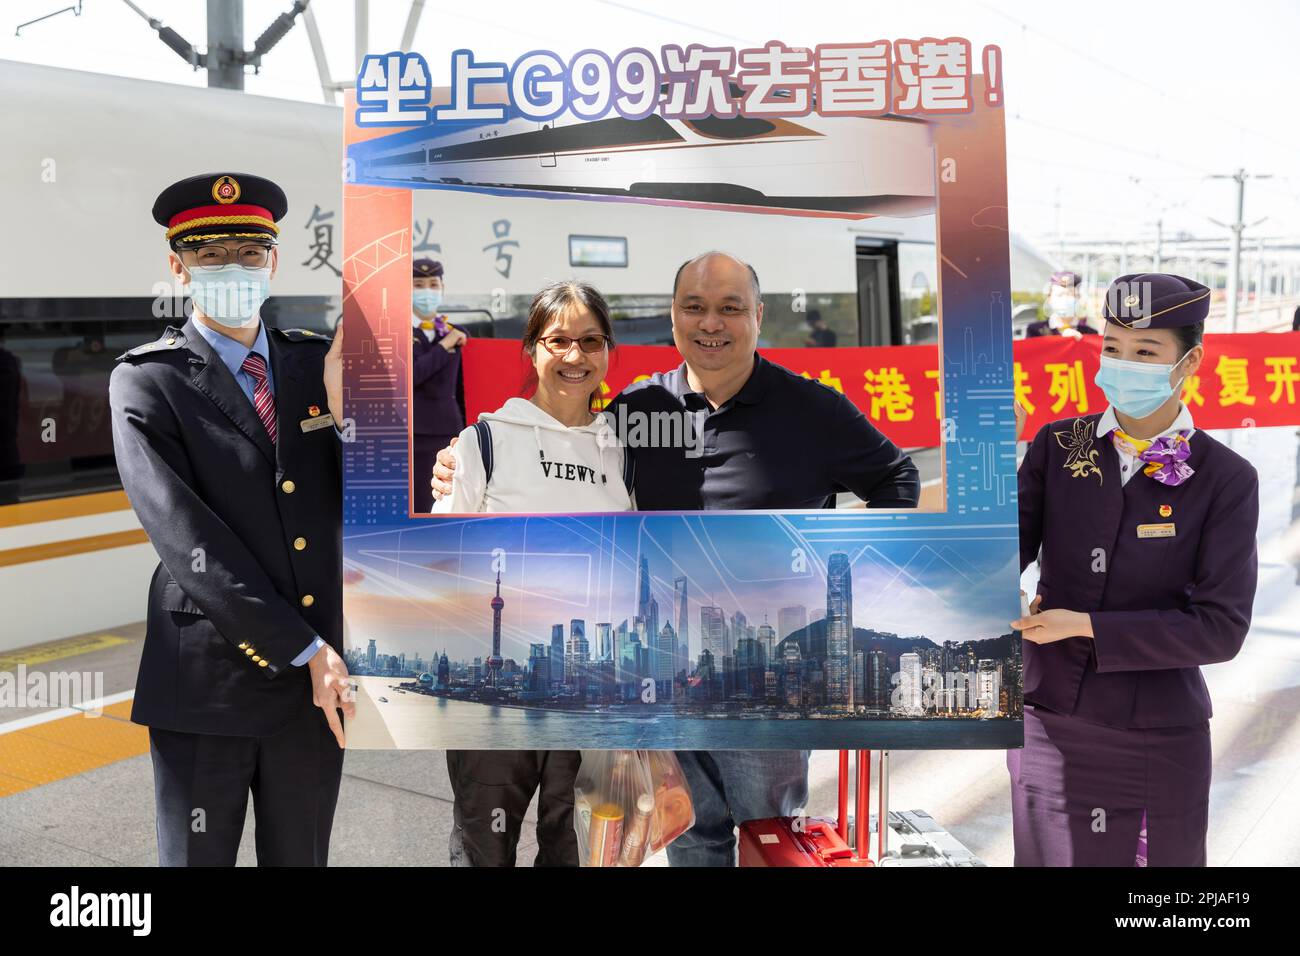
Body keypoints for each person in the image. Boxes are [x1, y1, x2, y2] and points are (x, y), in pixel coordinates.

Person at [434, 251, 920, 865]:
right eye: (694, 307)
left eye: (729, 308)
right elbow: (569, 460)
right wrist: (458, 462)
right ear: (673, 317)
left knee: (767, 834)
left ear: (759, 316)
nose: (710, 323)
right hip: (661, 685)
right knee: (689, 834)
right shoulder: (638, 414)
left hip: (764, 691)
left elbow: (897, 478)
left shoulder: (812, 409)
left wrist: (843, 578)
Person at [109, 172, 354, 866]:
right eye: (209, 252)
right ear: (177, 265)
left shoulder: (319, 366)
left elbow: (364, 501)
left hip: (314, 685)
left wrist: (363, 419)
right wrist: (306, 650)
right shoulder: (147, 379)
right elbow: (189, 538)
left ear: (273, 262)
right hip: (208, 685)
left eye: (249, 253)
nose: (232, 268)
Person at [1009, 272, 1259, 866]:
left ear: (1189, 361)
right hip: (1050, 721)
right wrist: (1002, 595)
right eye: (1114, 349)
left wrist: (1084, 625)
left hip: (1158, 734)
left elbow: (1219, 628)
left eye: (1146, 352)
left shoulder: (1225, 478)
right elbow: (1000, 556)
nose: (1123, 366)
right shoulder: (1057, 446)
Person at [437, 279, 630, 866]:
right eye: (558, 340)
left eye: (591, 341)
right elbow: (443, 557)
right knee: (483, 841)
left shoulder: (622, 449)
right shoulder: (485, 442)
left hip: (592, 693)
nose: (575, 357)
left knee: (574, 845)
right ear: (531, 349)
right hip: (498, 700)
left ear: (608, 352)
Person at [412, 257, 466, 513]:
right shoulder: (396, 332)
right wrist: (445, 347)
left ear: (442, 289)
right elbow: (410, 376)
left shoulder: (456, 332)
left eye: (433, 285)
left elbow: (463, 387)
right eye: (418, 284)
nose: (427, 291)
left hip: (450, 430)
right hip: (413, 433)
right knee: (419, 502)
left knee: (448, 500)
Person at [1025, 270, 1099, 338]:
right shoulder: (1035, 331)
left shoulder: (1090, 334)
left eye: (1071, 294)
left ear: (1078, 298)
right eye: (1060, 295)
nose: (1066, 299)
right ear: (1050, 298)